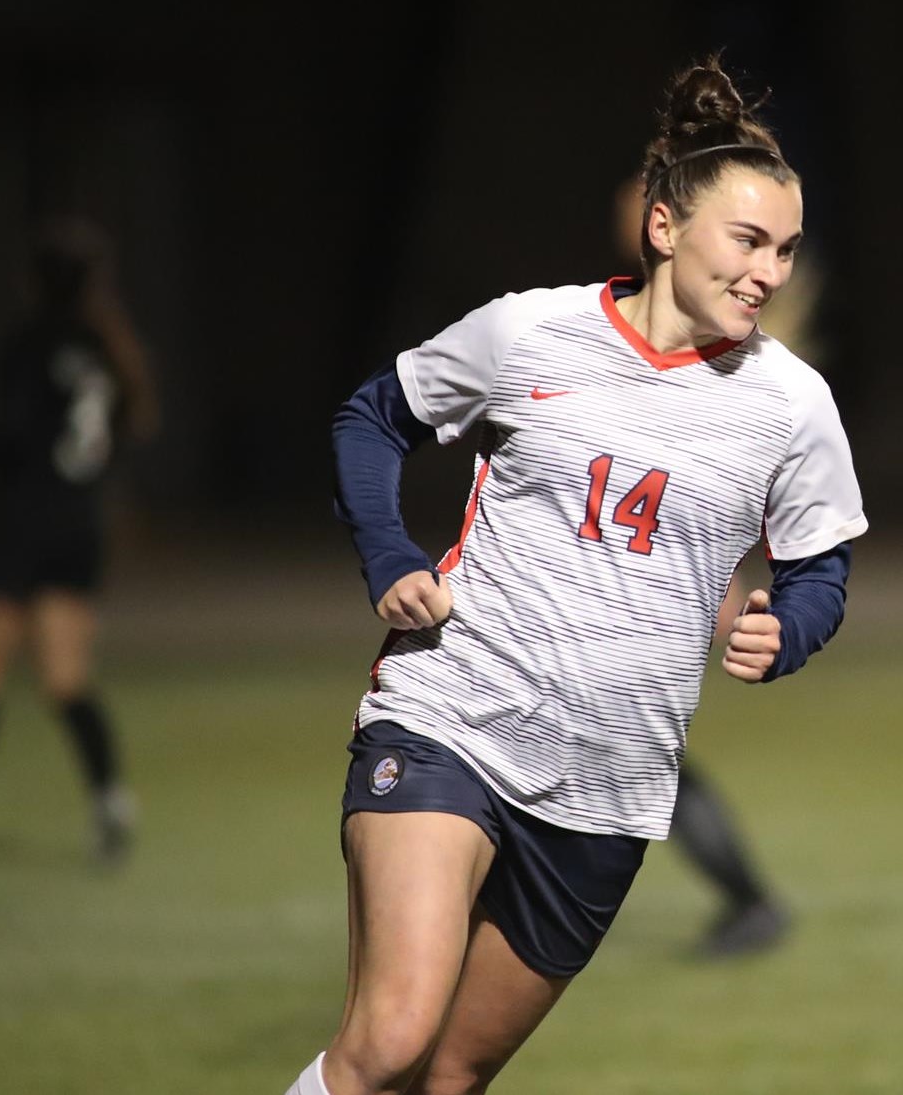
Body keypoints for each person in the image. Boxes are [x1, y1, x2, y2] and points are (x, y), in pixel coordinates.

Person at [288, 57, 865, 1095]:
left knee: (451, 1077)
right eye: (746, 241)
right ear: (663, 228)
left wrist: (793, 630)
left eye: (785, 249)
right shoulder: (528, 332)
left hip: (611, 790)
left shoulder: (791, 403)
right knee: (390, 1040)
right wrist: (387, 553)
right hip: (451, 721)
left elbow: (821, 564)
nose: (769, 272)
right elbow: (373, 418)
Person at [0, 218, 156, 866]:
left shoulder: (30, 341)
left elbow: (10, 432)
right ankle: (110, 799)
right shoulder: (110, 347)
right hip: (78, 528)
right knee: (66, 677)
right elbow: (121, 437)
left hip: (20, 523)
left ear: (35, 280)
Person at [612, 177, 799, 960]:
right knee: (638, 750)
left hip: (653, 583)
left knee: (643, 749)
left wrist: (722, 586)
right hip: (625, 577)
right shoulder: (631, 331)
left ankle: (752, 900)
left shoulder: (721, 354)